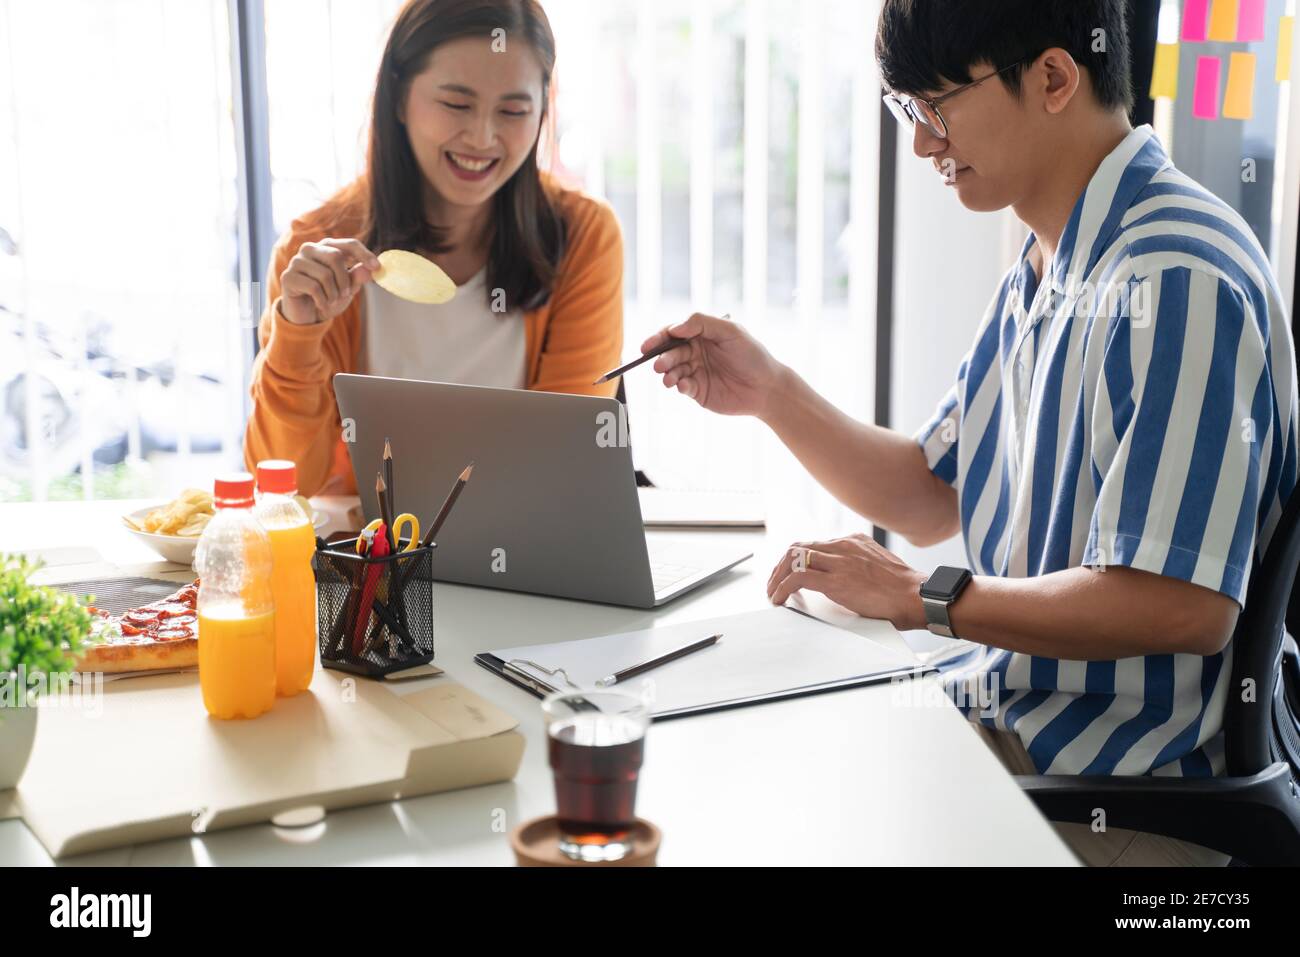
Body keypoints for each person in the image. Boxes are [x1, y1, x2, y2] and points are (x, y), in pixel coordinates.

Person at [643, 0, 1298, 866]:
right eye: (907, 111)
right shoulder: (1046, 257)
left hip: (1122, 793)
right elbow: (929, 492)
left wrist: (928, 597)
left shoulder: (1175, 273)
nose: (922, 144)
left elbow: (1183, 603)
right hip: (1016, 727)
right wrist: (770, 392)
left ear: (1055, 78)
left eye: (937, 108)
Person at [244, 0, 622, 496]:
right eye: (456, 104)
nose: (483, 137)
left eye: (513, 110)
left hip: (517, 560)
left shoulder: (582, 237)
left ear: (542, 112)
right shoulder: (314, 247)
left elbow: (563, 458)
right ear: (399, 97)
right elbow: (286, 483)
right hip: (370, 565)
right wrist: (298, 331)